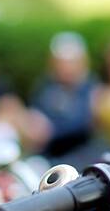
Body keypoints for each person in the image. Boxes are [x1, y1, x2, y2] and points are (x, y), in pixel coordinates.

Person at [27, 32, 97, 164]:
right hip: (45, 154)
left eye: (70, 63)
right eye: (61, 63)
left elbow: (83, 125)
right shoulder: (46, 84)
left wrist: (49, 131)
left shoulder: (90, 88)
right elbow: (35, 111)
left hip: (79, 156)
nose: (65, 68)